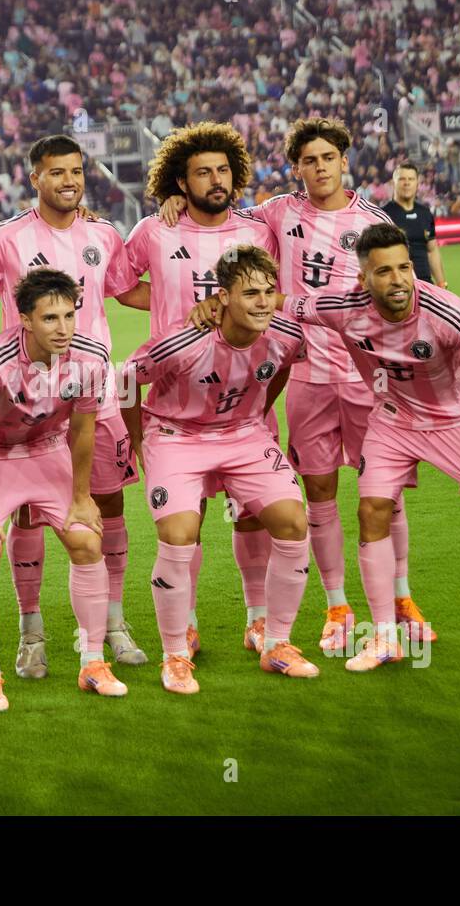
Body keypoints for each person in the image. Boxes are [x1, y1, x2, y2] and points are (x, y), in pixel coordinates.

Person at [271, 223, 460, 672]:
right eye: (384, 272)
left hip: (458, 419)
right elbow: (281, 302)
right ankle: (385, 637)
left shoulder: (446, 313)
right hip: (394, 419)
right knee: (372, 509)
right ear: (363, 280)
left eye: (404, 268)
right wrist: (223, 299)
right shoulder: (342, 306)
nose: (397, 280)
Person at [0, 133, 148, 676]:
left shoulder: (105, 232)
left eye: (76, 171)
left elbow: (129, 288)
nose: (69, 180)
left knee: (106, 508)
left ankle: (110, 625)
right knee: (28, 516)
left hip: (93, 393)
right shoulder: (6, 238)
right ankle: (31, 631)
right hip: (26, 400)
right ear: (35, 177)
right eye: (56, 172)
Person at [247, 118, 429, 653]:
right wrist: (170, 202)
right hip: (306, 374)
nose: (320, 167)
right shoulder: (278, 212)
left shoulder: (373, 220)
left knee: (385, 493)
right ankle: (337, 605)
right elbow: (220, 222)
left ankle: (400, 597)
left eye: (329, 157)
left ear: (344, 161)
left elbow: (400, 291)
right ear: (296, 167)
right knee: (319, 492)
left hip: (367, 377)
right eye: (309, 160)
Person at [121, 246, 313, 695]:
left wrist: (260, 409)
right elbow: (127, 380)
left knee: (292, 521)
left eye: (269, 291)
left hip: (244, 433)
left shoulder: (287, 334)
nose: (264, 302)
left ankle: (277, 642)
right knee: (180, 531)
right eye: (251, 293)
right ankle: (175, 654)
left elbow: (282, 367)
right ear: (222, 297)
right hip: (176, 435)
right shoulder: (183, 341)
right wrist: (138, 442)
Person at [131, 121, 280, 657]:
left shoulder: (258, 231)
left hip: (243, 402)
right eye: (201, 172)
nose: (215, 179)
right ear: (180, 181)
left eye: (222, 169)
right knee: (183, 525)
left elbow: (274, 301)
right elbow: (123, 286)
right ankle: (186, 623)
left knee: (256, 513)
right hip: (175, 404)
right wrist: (176, 318)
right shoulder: (153, 232)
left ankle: (259, 618)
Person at [0, 269, 124, 710]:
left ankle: (92, 661)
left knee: (87, 541)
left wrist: (83, 498)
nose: (63, 327)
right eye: (50, 318)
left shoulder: (92, 357)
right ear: (25, 320)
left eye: (69, 315)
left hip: (47, 451)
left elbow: (83, 430)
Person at [381, 161, 447, 287]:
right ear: (393, 183)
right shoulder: (383, 215)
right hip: (398, 285)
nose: (407, 183)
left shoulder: (425, 213)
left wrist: (441, 283)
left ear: (417, 183)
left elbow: (432, 250)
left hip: (426, 285)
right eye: (402, 179)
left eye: (411, 179)